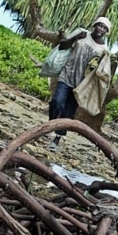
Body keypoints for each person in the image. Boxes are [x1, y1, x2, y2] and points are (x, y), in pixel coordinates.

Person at [47, 16, 110, 149]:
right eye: (99, 25)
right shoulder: (82, 33)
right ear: (95, 25)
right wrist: (73, 38)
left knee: (68, 112)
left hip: (82, 85)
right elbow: (63, 45)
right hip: (67, 74)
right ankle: (49, 125)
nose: (101, 29)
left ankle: (56, 140)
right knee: (56, 102)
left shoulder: (104, 49)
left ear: (106, 31)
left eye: (104, 28)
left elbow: (102, 71)